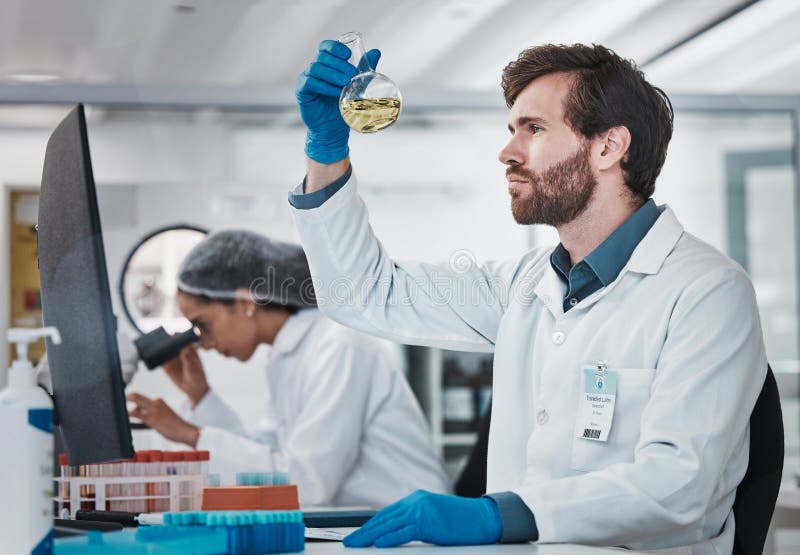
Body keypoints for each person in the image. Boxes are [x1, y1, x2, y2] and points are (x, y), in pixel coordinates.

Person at [288, 41, 767, 551]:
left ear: (609, 147)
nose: (508, 152)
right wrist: (327, 151)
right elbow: (363, 293)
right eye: (512, 130)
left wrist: (498, 515)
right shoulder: (523, 285)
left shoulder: (708, 291)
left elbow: (677, 483)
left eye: (533, 129)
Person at [126, 230, 449, 508]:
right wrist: (199, 396)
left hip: (414, 525)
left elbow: (308, 484)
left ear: (245, 302)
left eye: (204, 325)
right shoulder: (288, 355)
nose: (204, 343)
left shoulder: (340, 345)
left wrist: (190, 434)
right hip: (361, 518)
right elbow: (270, 455)